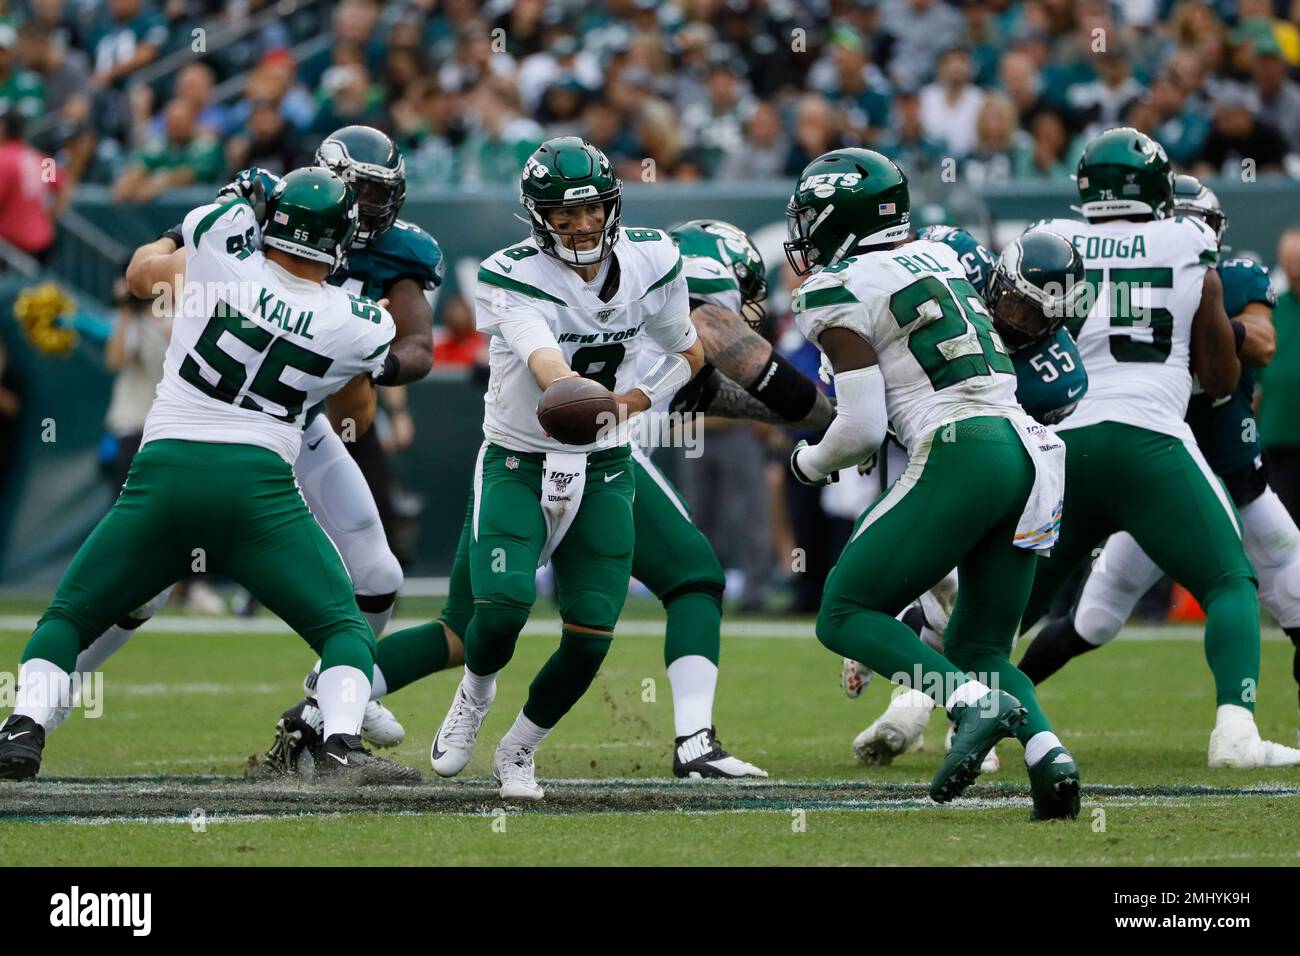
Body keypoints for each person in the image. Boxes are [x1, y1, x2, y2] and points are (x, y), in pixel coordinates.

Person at [0, 167, 418, 783]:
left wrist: (218, 209)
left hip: (164, 473)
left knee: (67, 617)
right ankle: (338, 748)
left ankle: (23, 731)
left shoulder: (222, 241)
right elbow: (356, 412)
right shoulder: (362, 323)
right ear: (341, 241)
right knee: (344, 628)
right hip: (259, 492)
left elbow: (142, 272)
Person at [784, 147, 1080, 819]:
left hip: (960, 447)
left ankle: (970, 706)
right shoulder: (944, 256)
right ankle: (1048, 759)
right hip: (1031, 451)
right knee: (979, 645)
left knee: (842, 611)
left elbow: (859, 429)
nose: (803, 232)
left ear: (839, 218)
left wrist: (807, 463)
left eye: (810, 217)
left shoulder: (833, 288)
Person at [423, 137, 704, 800]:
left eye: (590, 210)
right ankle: (475, 692)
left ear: (612, 204)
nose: (580, 225)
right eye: (563, 214)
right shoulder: (509, 272)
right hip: (518, 457)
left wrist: (631, 400)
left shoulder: (655, 258)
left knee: (589, 634)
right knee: (500, 611)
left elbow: (687, 351)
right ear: (536, 216)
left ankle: (519, 750)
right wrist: (574, 392)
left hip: (605, 460)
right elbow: (543, 358)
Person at [1019, 128, 1299, 768]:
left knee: (1020, 598)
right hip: (1151, 441)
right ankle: (1235, 731)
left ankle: (970, 716)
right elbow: (1223, 375)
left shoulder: (1051, 241)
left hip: (1065, 445)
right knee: (1230, 579)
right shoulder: (1188, 242)